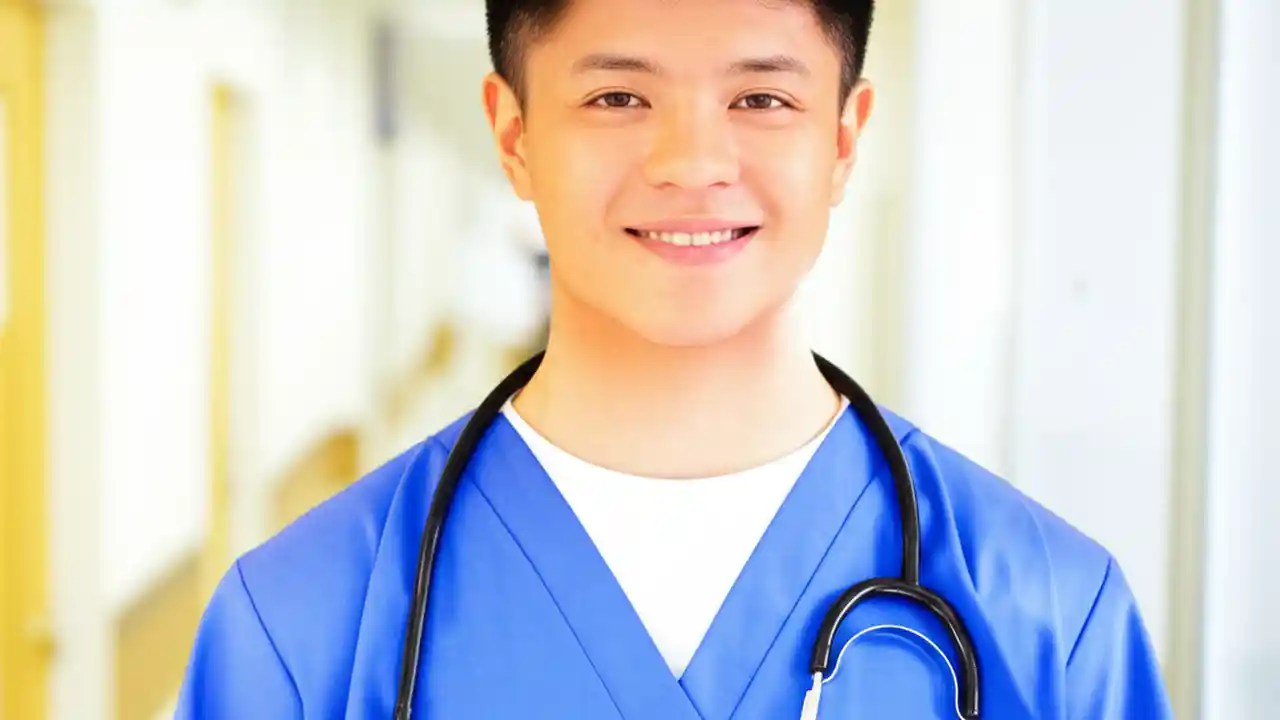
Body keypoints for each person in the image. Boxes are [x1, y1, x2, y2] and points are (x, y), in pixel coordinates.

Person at [176, 0, 1173, 717]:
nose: (692, 163)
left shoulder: (1046, 614)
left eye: (760, 100)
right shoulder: (304, 622)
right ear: (512, 133)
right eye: (617, 97)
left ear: (842, 136)